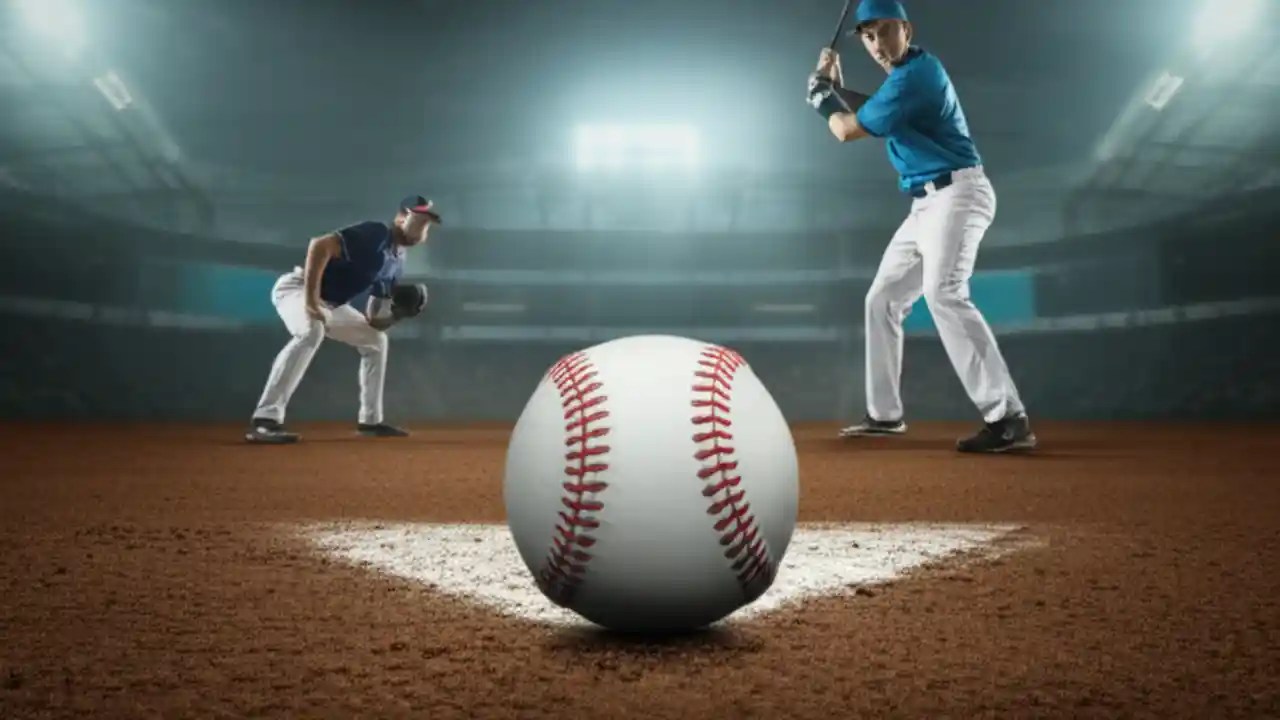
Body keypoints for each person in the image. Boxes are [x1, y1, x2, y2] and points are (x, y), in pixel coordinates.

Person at [806, 0, 1036, 453]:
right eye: (867, 36)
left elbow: (847, 130)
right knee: (882, 299)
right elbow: (874, 113)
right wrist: (833, 89)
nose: (875, 43)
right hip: (926, 205)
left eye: (884, 31)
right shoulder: (907, 77)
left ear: (906, 29)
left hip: (958, 194)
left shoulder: (917, 76)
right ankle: (885, 415)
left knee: (944, 293)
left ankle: (1008, 417)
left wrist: (820, 99)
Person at [244, 195, 439, 444]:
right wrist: (312, 302)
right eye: (418, 219)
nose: (422, 227)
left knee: (376, 341)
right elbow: (319, 245)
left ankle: (370, 421)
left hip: (332, 305)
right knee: (312, 331)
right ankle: (265, 421)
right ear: (401, 218)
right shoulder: (377, 233)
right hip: (297, 288)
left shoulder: (397, 262)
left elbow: (373, 319)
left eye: (427, 224)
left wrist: (398, 315)